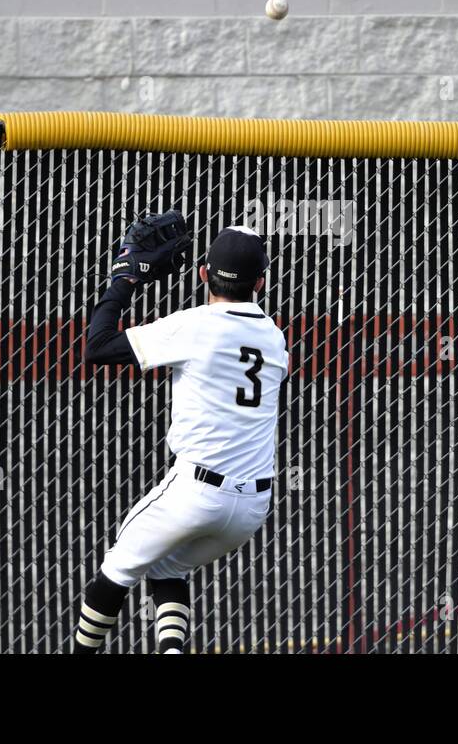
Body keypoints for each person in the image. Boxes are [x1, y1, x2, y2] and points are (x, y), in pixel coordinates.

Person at [74, 220, 288, 654]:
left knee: (114, 572)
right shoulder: (275, 338)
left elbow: (96, 346)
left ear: (203, 274)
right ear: (261, 283)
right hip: (252, 507)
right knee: (168, 568)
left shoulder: (192, 325)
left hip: (196, 491)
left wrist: (125, 279)